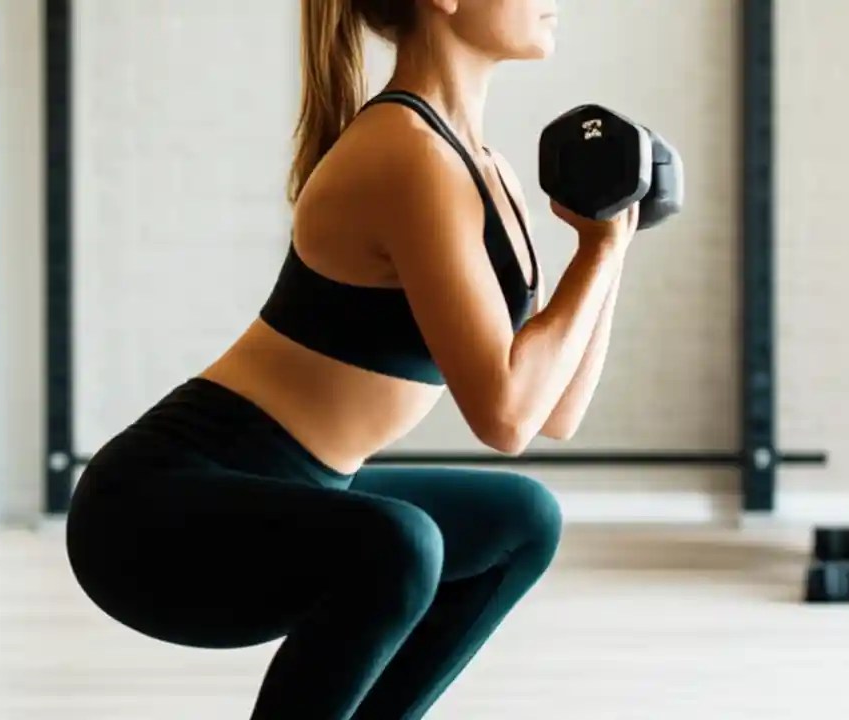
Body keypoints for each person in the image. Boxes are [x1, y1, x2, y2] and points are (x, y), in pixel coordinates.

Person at [65, 1, 640, 717]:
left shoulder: (486, 169)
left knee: (520, 519)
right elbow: (505, 417)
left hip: (301, 492)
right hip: (156, 515)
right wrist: (601, 252)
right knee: (398, 544)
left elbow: (556, 410)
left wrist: (607, 246)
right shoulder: (408, 154)